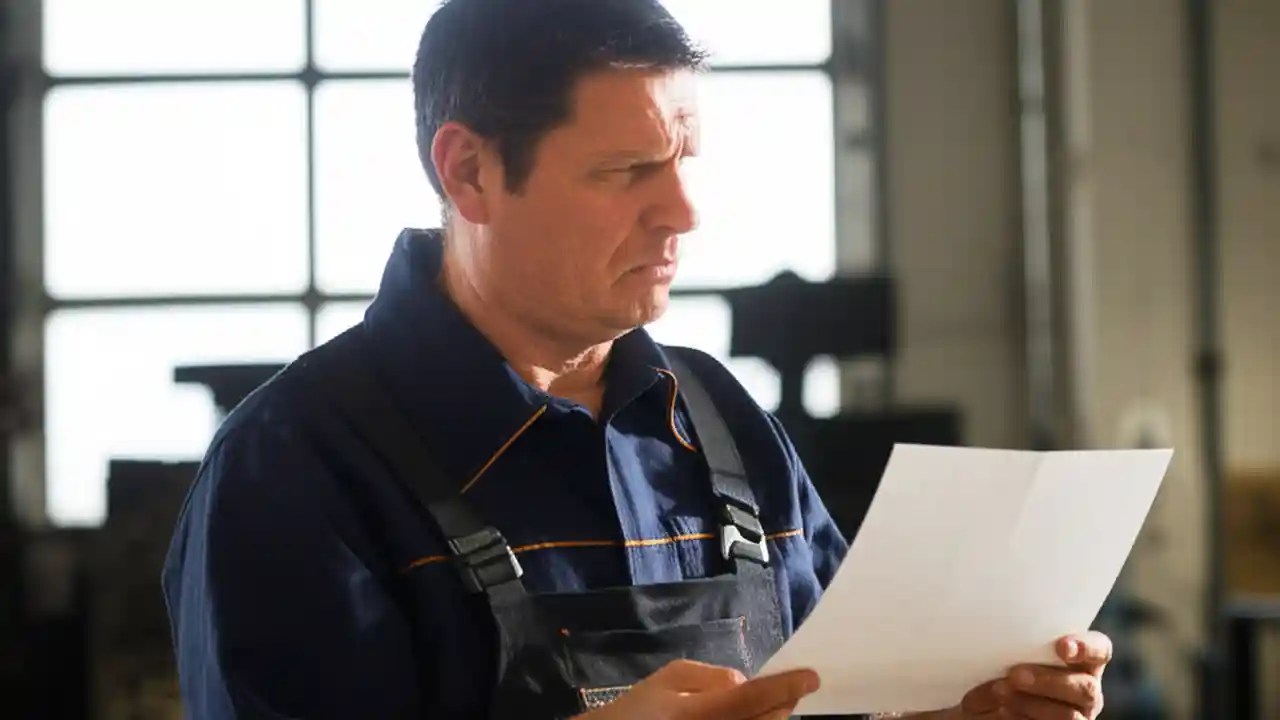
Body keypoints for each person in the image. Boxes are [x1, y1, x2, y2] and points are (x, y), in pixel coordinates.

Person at [162, 1, 1112, 718]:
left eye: (685, 158)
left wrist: (953, 711)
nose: (684, 212)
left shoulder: (715, 420)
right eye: (626, 173)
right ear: (469, 172)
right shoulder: (296, 466)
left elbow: (842, 697)